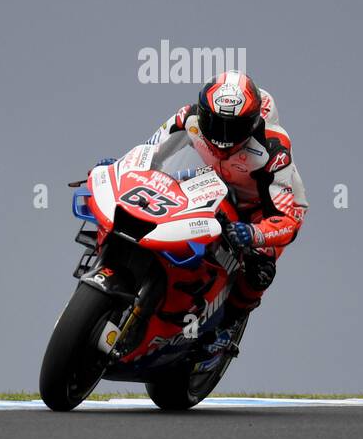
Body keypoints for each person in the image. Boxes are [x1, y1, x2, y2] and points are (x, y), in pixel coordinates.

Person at [103, 71, 308, 356]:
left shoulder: (274, 148)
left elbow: (289, 217)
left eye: (233, 128)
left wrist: (254, 233)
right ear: (203, 110)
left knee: (260, 270)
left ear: (252, 124)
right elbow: (151, 148)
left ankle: (227, 327)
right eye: (216, 124)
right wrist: (122, 167)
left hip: (259, 210)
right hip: (205, 184)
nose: (223, 138)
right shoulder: (189, 117)